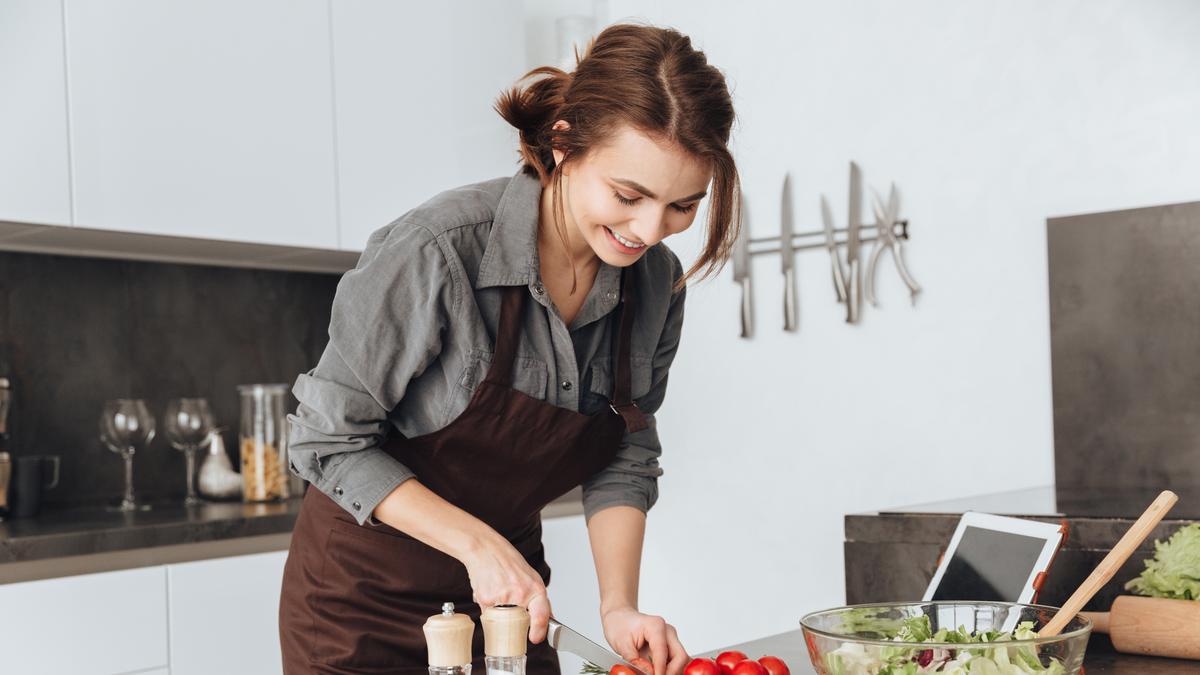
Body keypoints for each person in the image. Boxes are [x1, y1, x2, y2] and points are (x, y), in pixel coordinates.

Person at [278, 22, 740, 675]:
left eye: (682, 206)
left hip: (508, 606)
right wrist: (476, 543)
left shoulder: (655, 283)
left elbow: (625, 449)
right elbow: (324, 441)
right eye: (628, 196)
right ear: (563, 145)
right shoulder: (438, 249)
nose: (649, 230)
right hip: (359, 608)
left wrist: (619, 606)